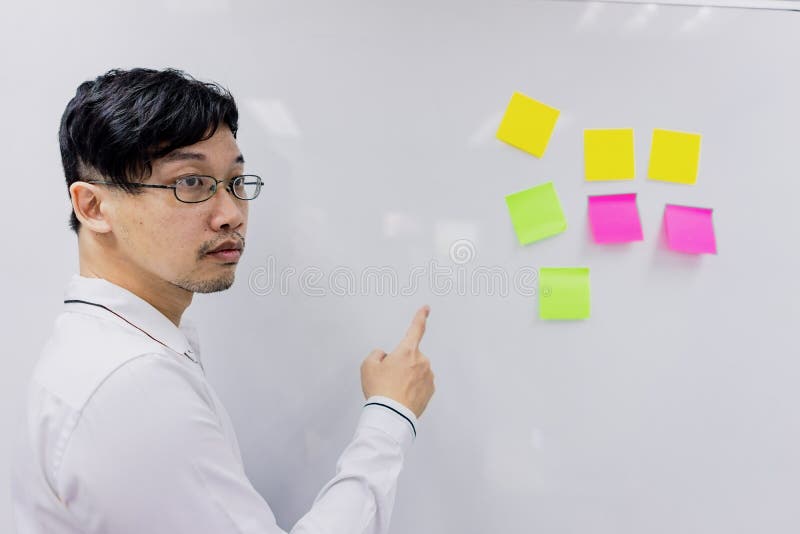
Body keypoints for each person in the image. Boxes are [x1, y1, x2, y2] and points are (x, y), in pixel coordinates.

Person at [10, 67, 435, 534]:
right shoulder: (129, 384)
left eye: (235, 181)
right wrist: (390, 416)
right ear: (93, 207)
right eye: (190, 183)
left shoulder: (119, 346)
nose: (231, 215)